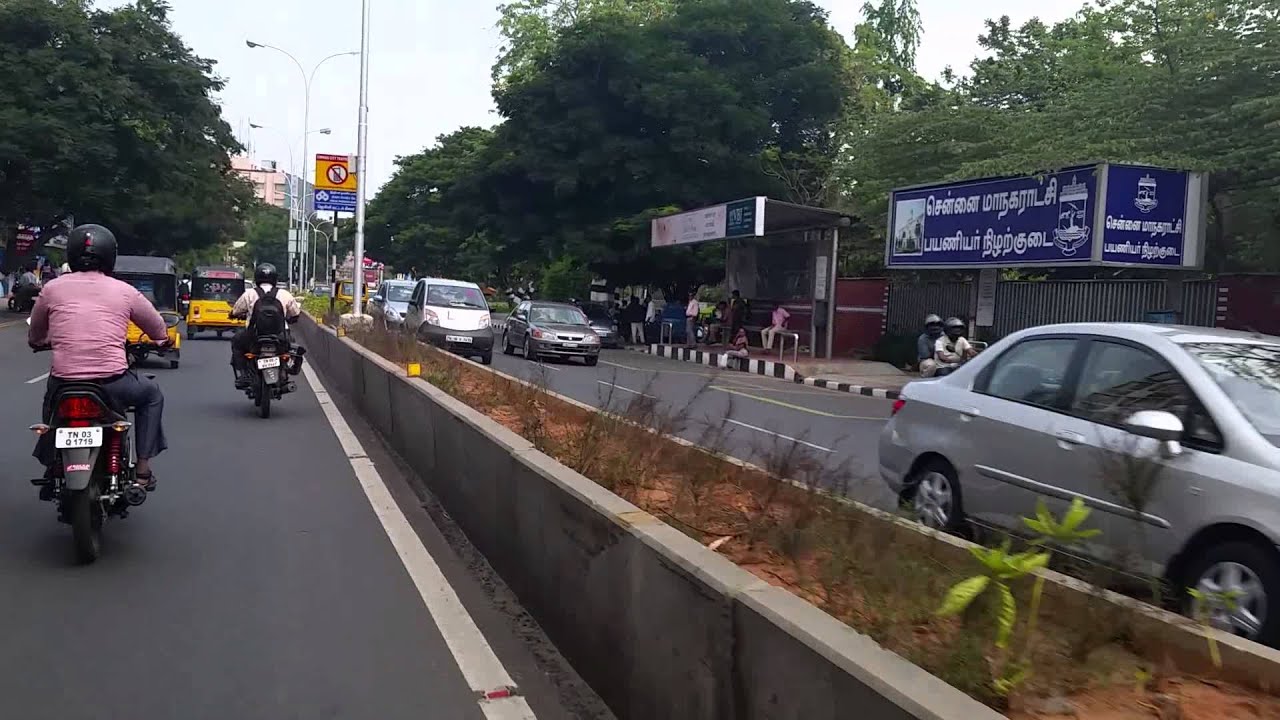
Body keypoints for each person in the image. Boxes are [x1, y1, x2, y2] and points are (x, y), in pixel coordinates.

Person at [28, 224, 169, 491]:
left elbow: (36, 331)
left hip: (64, 383)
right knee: (151, 394)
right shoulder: (124, 291)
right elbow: (157, 328)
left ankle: (51, 465)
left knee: (51, 406)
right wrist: (161, 340)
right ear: (109, 256)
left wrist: (38, 342)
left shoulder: (52, 288)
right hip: (113, 383)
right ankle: (142, 470)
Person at [229, 263, 302, 389]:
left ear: (257, 278)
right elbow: (295, 313)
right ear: (275, 278)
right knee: (291, 347)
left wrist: (233, 314)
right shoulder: (284, 294)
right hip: (280, 336)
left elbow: (236, 310)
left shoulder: (249, 294)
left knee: (236, 343)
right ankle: (286, 372)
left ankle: (244, 375)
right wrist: (291, 319)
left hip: (254, 336)